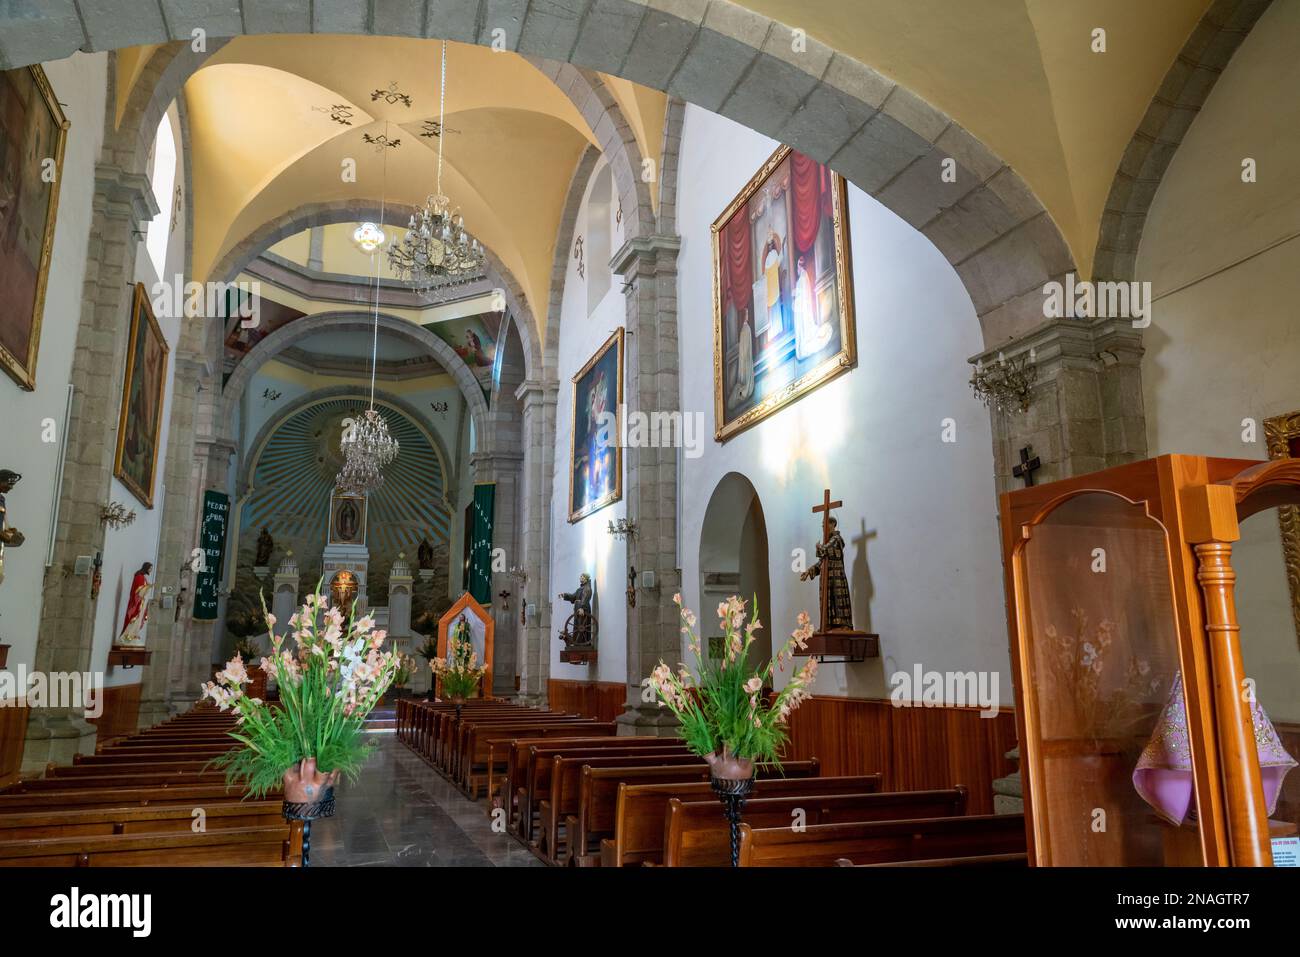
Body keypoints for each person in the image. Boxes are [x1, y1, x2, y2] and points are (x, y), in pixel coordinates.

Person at [117, 561, 153, 648]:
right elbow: (138, 592)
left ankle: (132, 635)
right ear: (146, 568)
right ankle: (127, 636)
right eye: (150, 568)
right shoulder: (139, 577)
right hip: (137, 604)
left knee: (138, 620)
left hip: (141, 603)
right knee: (135, 619)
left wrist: (147, 587)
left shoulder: (142, 577)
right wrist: (148, 587)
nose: (151, 570)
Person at [0, 469, 24, 586]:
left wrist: (12, 533)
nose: (11, 488)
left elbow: (4, 524)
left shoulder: (1, 500)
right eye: (9, 484)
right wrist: (8, 537)